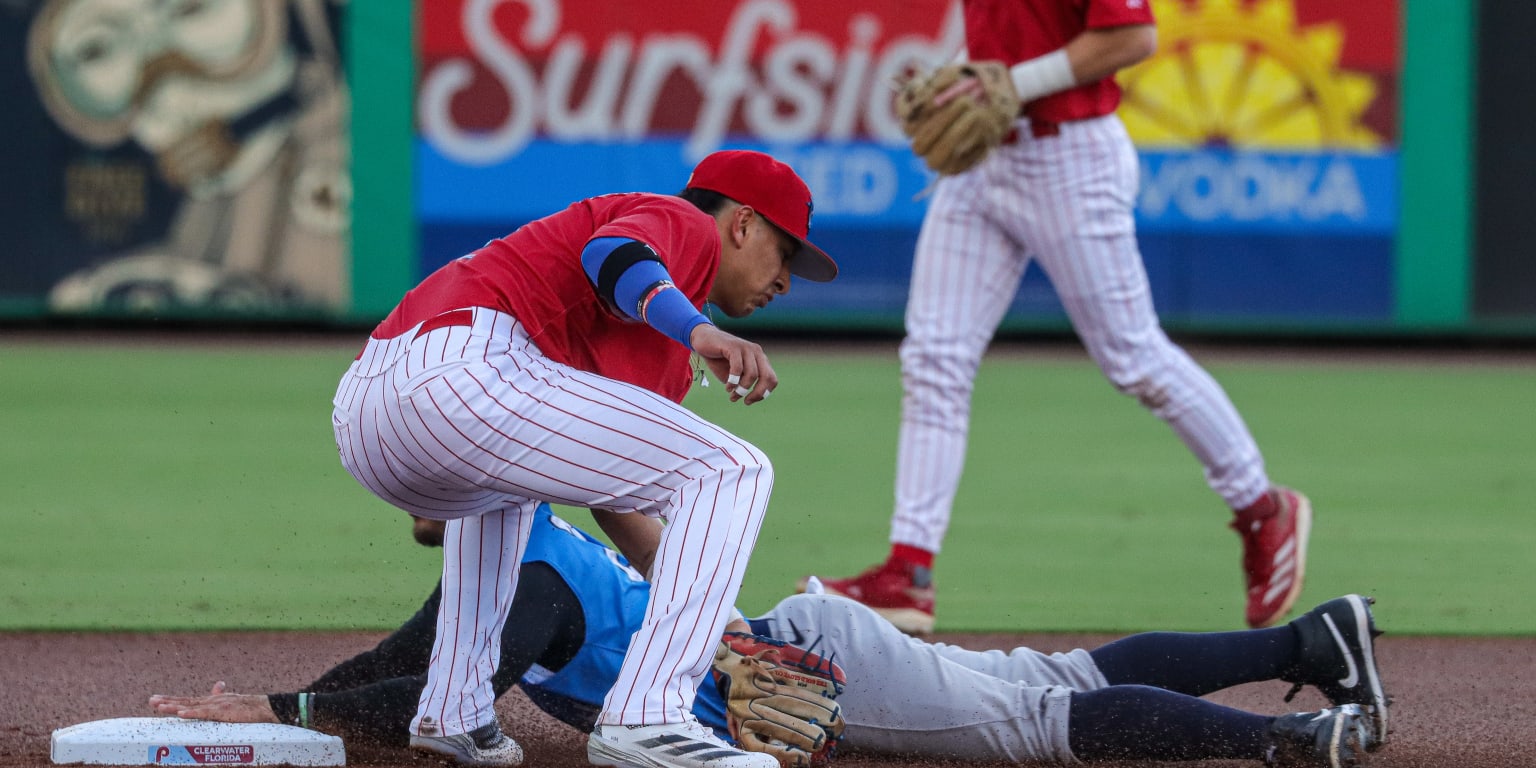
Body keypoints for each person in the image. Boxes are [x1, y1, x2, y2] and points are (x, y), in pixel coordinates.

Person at [151, 505, 1389, 768]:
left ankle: (1292, 745)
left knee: (1034, 722)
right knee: (1047, 674)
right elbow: (395, 667)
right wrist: (285, 708)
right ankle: (1307, 643)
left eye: (422, 471)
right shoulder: (504, 547)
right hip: (802, 636)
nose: (405, 495)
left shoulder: (532, 582)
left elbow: (449, 704)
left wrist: (286, 719)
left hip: (813, 666)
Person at [808, 0, 1311, 634]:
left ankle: (1262, 509)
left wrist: (1011, 83)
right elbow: (1011, 33)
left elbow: (1132, 36)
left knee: (1133, 358)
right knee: (934, 359)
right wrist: (963, 76)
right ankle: (910, 569)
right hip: (986, 158)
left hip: (1069, 159)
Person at [328, 149, 838, 768]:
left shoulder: (659, 350)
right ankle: (648, 717)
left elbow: (616, 501)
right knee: (735, 469)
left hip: (375, 408)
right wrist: (698, 329)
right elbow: (614, 255)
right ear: (743, 224)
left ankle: (455, 711)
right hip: (466, 366)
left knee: (511, 488)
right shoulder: (686, 225)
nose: (785, 282)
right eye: (785, 254)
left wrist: (725, 629)